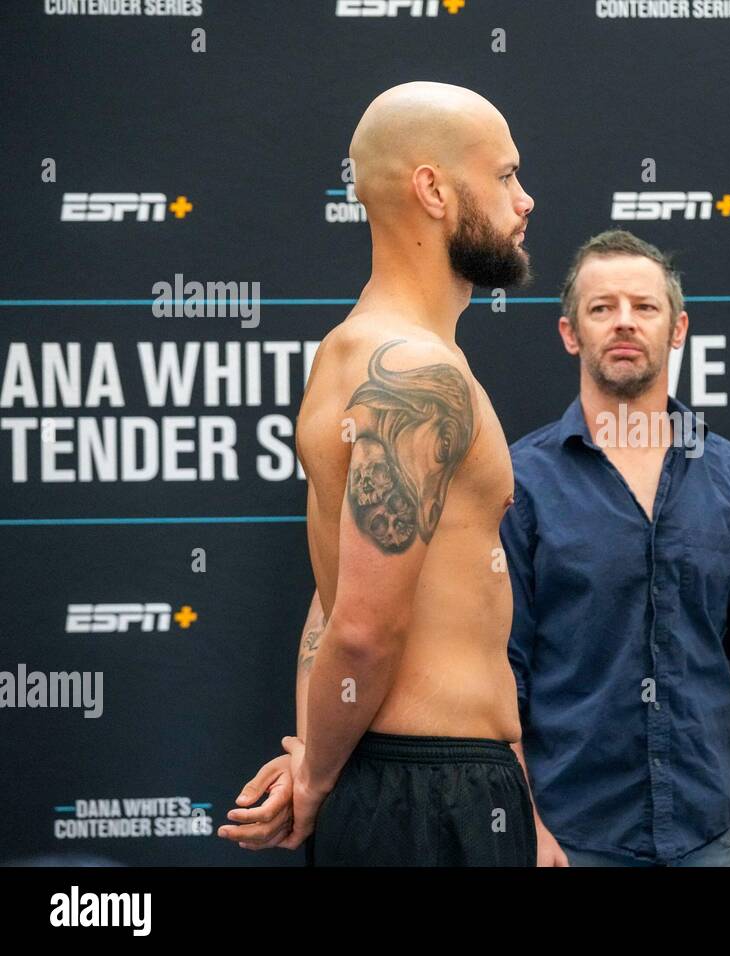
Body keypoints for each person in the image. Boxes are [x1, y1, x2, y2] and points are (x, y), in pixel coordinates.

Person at [215, 81, 538, 865]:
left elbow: (330, 605)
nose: (525, 201)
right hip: (432, 793)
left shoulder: (347, 352)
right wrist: (318, 774)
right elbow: (361, 630)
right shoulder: (419, 371)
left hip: (389, 783)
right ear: (432, 189)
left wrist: (317, 763)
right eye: (504, 176)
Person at [502, 229, 730, 866]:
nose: (624, 324)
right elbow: (498, 672)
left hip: (704, 835)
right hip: (570, 837)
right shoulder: (517, 484)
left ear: (677, 328)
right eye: (601, 308)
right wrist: (526, 823)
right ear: (569, 333)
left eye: (644, 307)